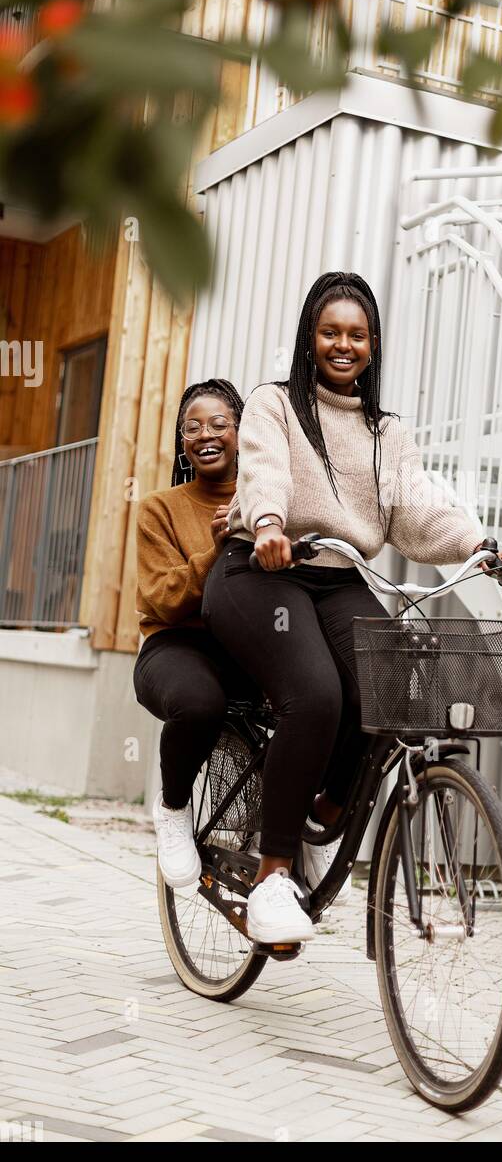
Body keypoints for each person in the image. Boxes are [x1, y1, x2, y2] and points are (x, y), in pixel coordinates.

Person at [200, 271, 502, 946]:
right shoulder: (274, 404)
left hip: (339, 574)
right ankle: (271, 876)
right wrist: (267, 524)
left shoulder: (387, 433)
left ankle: (322, 807)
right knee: (317, 695)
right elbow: (265, 469)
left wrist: (482, 545)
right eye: (330, 332)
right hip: (262, 570)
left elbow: (417, 513)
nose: (342, 345)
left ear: (373, 345)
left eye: (356, 334)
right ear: (311, 337)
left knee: (392, 684)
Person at [134, 378, 257, 888]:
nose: (205, 435)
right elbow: (162, 597)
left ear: (242, 433)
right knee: (200, 702)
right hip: (176, 645)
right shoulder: (159, 508)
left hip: (248, 645)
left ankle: (296, 827)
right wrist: (216, 550)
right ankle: (174, 808)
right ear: (182, 443)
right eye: (192, 427)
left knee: (321, 695)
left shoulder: (268, 505)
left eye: (219, 424)